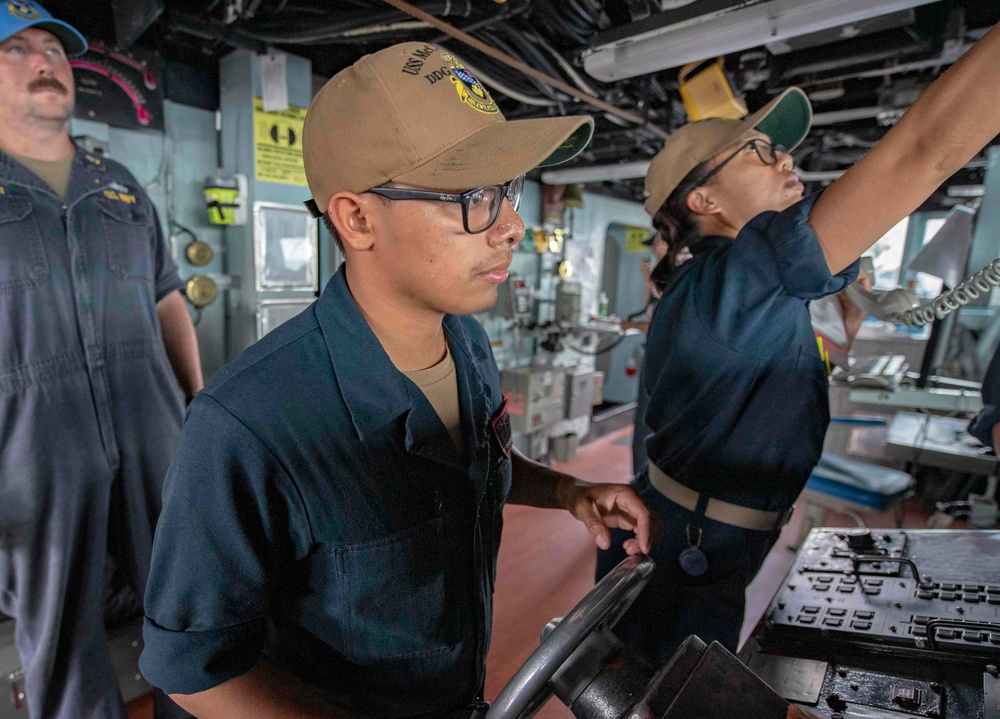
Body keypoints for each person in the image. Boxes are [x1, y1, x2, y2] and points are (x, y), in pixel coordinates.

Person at [140, 42, 651, 719]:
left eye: (507, 190)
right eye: (471, 197)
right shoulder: (249, 424)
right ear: (355, 218)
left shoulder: (463, 340)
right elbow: (193, 670)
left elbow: (472, 464)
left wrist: (567, 489)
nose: (511, 226)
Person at [597, 21, 1000, 666]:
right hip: (692, 545)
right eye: (759, 151)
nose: (786, 158)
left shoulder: (726, 283)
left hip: (704, 535)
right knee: (668, 692)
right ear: (702, 198)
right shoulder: (739, 275)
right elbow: (922, 151)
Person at [0, 3, 203, 718]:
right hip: (31, 444)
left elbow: (167, 299)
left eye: (53, 47)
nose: (43, 60)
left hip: (153, 429)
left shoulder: (117, 182)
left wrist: (196, 404)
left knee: (186, 606)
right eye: (16, 49)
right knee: (58, 634)